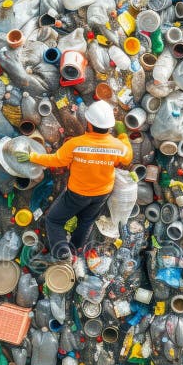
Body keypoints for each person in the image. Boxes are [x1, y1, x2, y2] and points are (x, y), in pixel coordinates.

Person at [14, 100, 133, 258]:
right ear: (109, 127)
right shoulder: (118, 146)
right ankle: (75, 248)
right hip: (102, 193)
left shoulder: (75, 144)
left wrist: (32, 156)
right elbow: (128, 158)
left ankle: (62, 252)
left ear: (89, 124)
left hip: (77, 194)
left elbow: (56, 160)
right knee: (86, 221)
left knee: (53, 220)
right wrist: (123, 134)